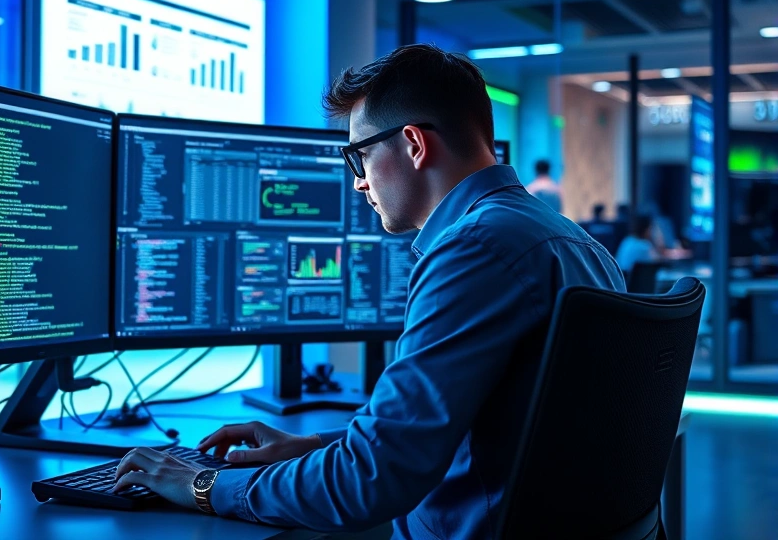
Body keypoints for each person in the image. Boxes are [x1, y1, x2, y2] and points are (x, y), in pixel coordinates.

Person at [111, 44, 626, 539]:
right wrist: (311, 446)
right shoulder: (572, 241)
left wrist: (202, 483)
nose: (358, 182)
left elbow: (369, 481)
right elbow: (470, 431)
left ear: (414, 145)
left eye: (358, 157)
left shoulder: (474, 250)